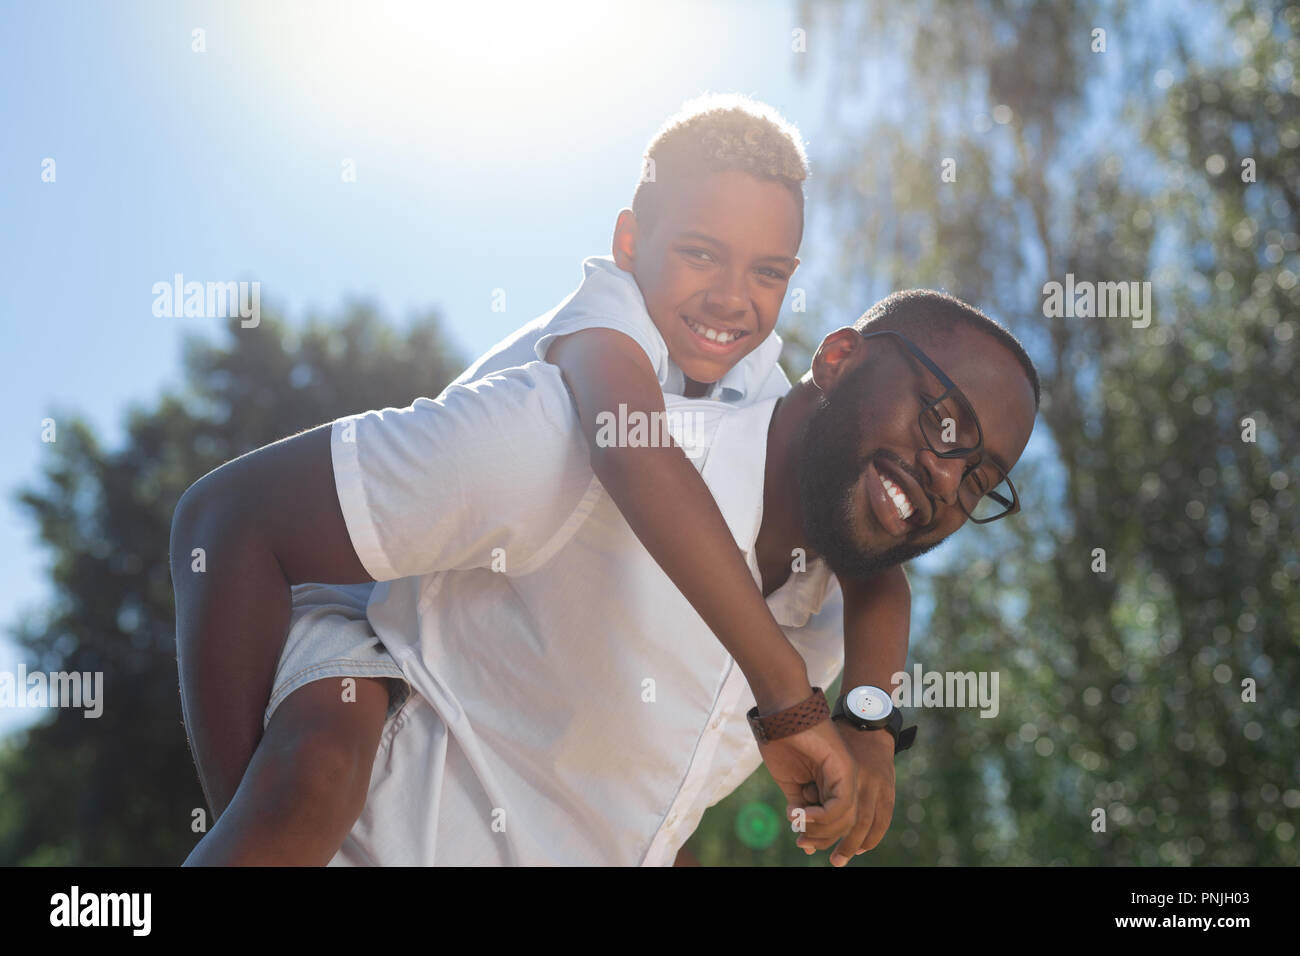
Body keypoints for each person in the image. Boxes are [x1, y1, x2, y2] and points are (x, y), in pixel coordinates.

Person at [174, 93, 914, 859]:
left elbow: (876, 577)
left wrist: (872, 731)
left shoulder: (759, 383)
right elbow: (631, 449)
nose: (732, 297)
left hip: (482, 639)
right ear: (630, 241)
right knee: (316, 776)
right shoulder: (608, 316)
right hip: (359, 604)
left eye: (766, 272)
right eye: (700, 253)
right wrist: (789, 699)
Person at [173, 289, 1041, 865]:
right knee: (315, 767)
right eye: (943, 420)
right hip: (358, 666)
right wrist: (254, 825)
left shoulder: (832, 622)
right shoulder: (599, 431)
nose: (945, 478)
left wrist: (874, 725)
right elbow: (227, 521)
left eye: (981, 480)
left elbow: (647, 809)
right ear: (841, 356)